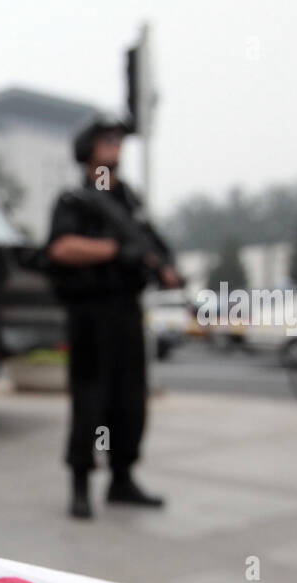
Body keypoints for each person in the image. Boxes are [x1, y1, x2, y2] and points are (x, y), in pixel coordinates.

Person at [46, 116, 182, 520]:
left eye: (120, 141)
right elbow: (61, 248)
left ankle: (122, 478)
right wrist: (113, 251)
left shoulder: (129, 201)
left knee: (130, 399)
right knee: (90, 398)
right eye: (107, 140)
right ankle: (81, 484)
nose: (116, 147)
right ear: (89, 149)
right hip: (90, 312)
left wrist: (164, 266)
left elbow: (151, 244)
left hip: (126, 310)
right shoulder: (75, 199)